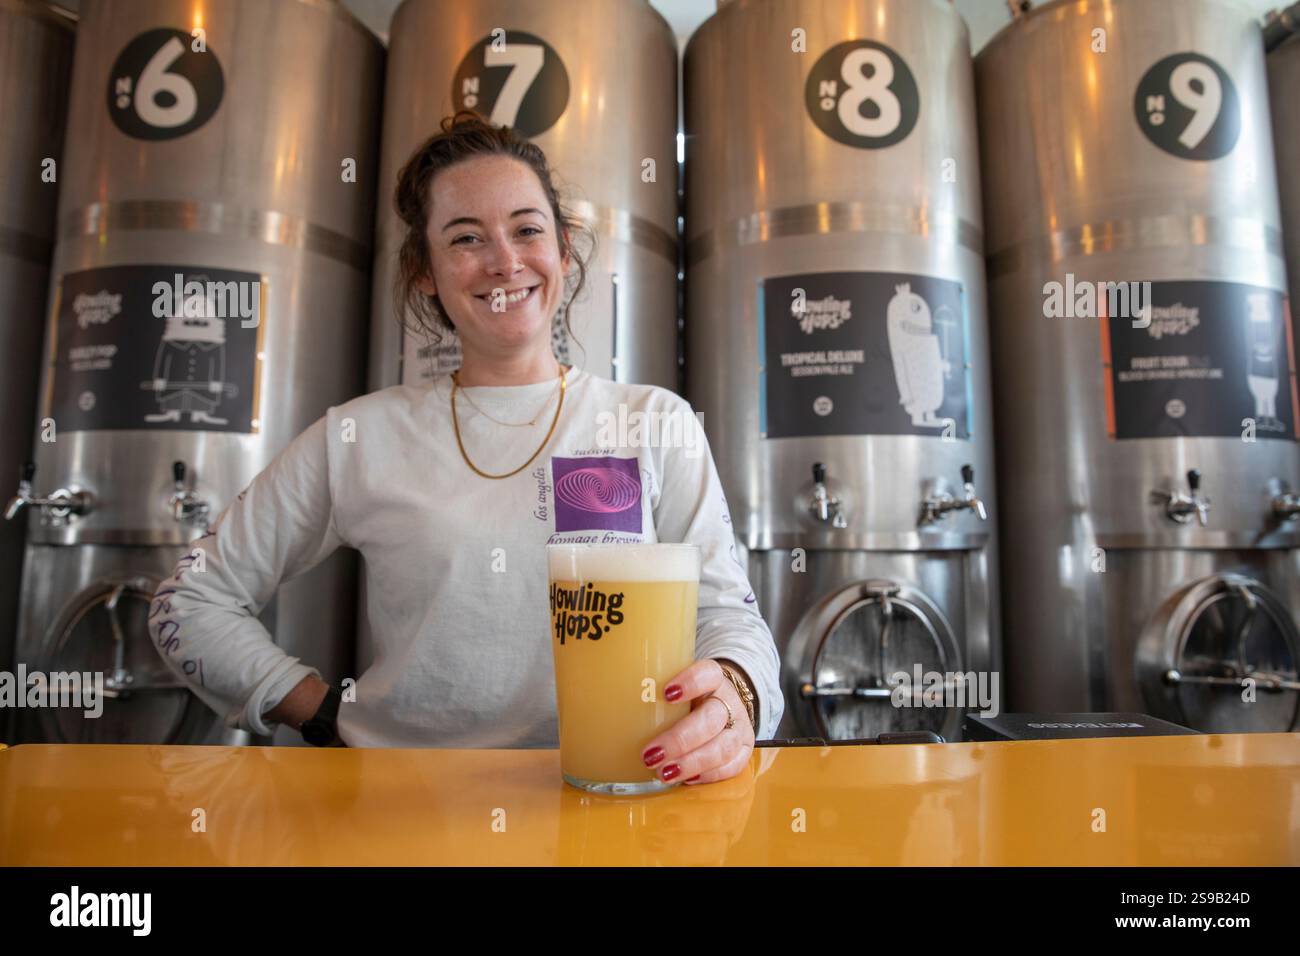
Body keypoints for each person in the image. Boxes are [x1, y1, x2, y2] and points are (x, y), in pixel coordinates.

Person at [148, 111, 783, 786]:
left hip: (614, 797)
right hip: (406, 808)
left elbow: (729, 618)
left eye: (527, 230)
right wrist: (322, 714)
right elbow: (188, 601)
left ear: (564, 249)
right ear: (424, 270)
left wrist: (735, 696)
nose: (505, 261)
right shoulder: (359, 436)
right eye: (466, 238)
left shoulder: (654, 421)